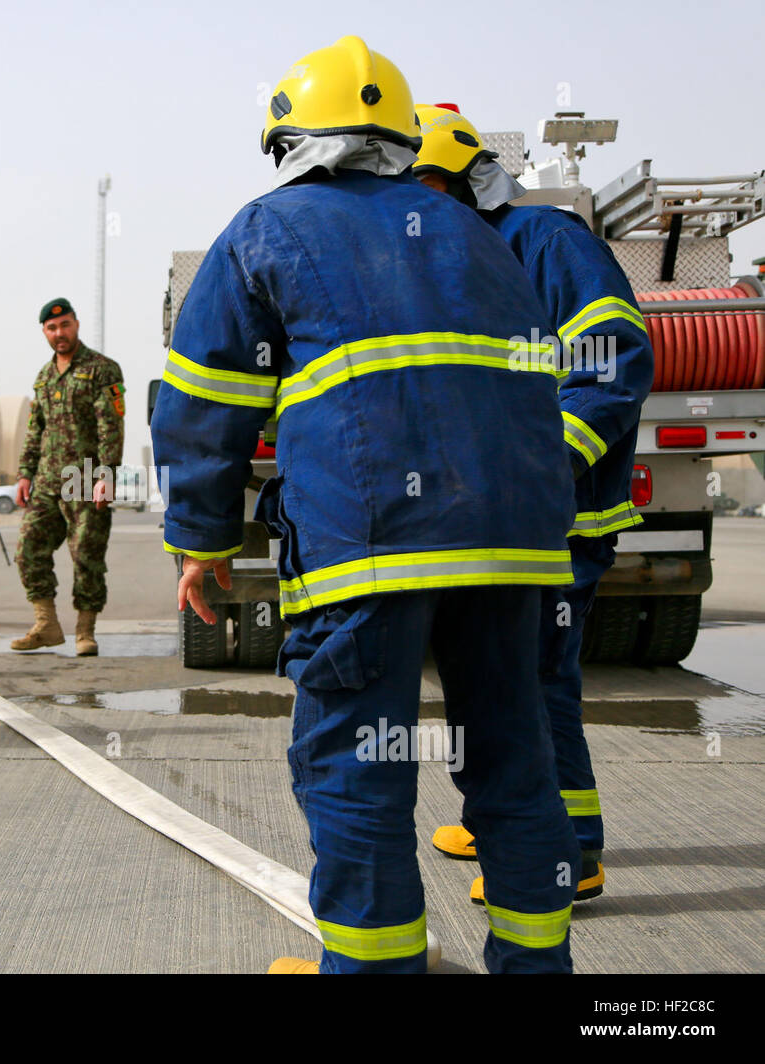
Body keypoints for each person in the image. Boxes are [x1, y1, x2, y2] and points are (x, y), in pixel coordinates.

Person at [151, 38, 581, 973]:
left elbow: (204, 399)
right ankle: (538, 968)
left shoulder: (267, 228)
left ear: (289, 140)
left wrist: (202, 539)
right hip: (512, 551)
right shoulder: (476, 232)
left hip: (370, 547)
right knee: (515, 759)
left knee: (360, 771)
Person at [413, 103, 655, 905]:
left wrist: (542, 471)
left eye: (420, 186)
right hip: (493, 521)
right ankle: (501, 821)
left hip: (558, 516)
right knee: (487, 674)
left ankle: (574, 851)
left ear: (461, 182)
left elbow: (612, 359)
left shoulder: (545, 242)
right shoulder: (454, 256)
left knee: (540, 679)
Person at [12, 298, 125, 656]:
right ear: (44, 332)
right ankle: (46, 624)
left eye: (65, 326)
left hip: (84, 477)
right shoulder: (43, 377)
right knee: (28, 548)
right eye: (52, 328)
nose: (59, 334)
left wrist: (106, 474)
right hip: (46, 479)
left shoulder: (102, 369)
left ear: (76, 324)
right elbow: (35, 429)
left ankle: (84, 632)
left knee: (86, 555)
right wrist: (25, 474)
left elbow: (112, 425)